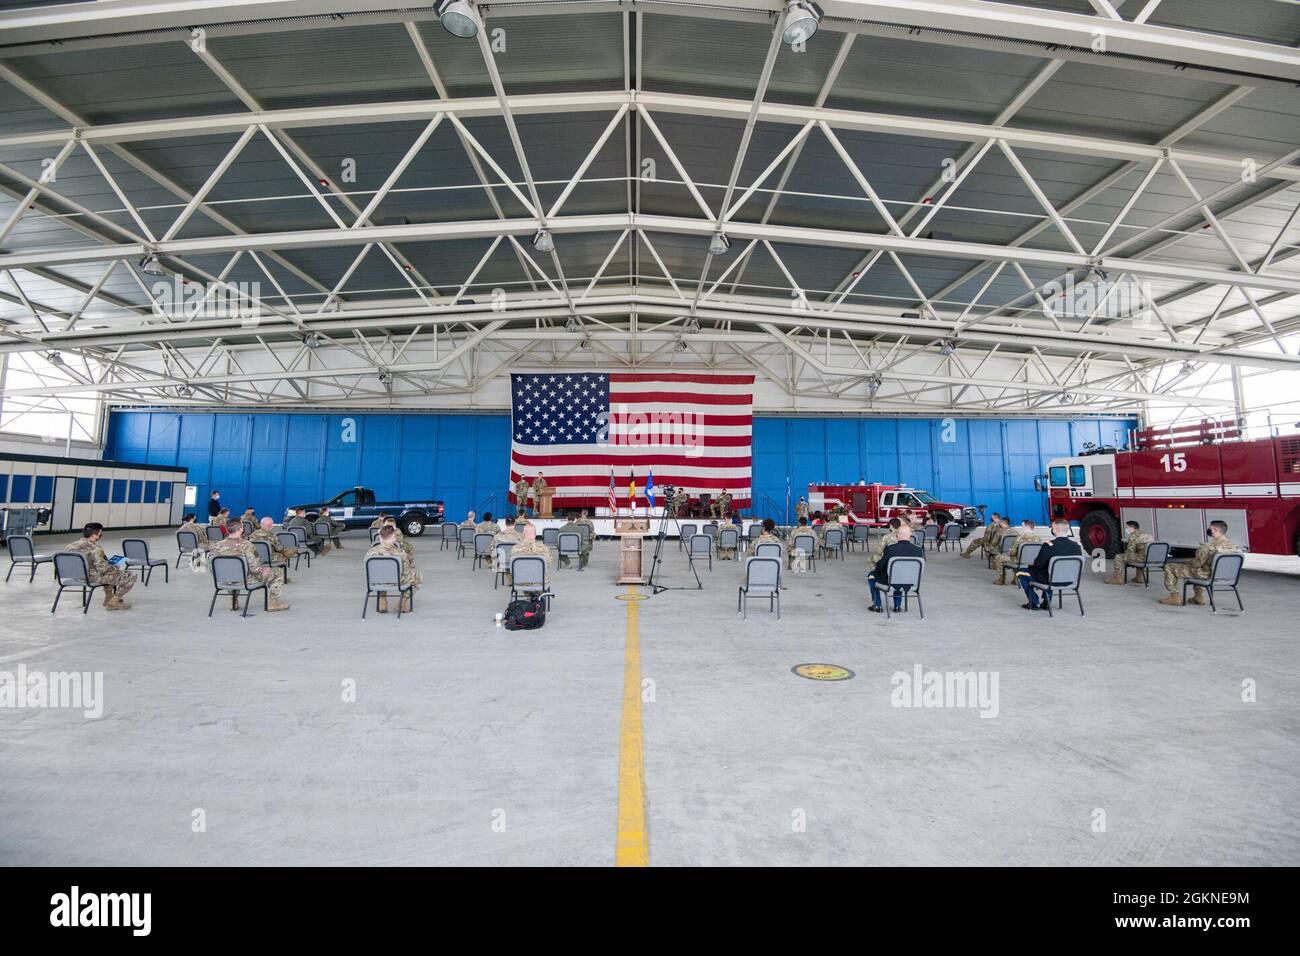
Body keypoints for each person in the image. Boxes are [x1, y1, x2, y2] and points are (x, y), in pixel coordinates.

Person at [209, 522, 289, 612]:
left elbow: (212, 568)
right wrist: (263, 570)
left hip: (225, 580)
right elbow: (254, 568)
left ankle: (233, 601)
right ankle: (273, 603)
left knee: (231, 571)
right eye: (242, 527)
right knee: (278, 572)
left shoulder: (217, 546)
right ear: (240, 529)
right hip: (246, 580)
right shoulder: (247, 545)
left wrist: (224, 575)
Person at [1158, 520, 1239, 607]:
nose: (1208, 530)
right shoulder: (1235, 547)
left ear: (1215, 530)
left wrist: (1187, 562)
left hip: (1207, 575)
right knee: (1199, 569)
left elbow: (1196, 564)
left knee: (1169, 567)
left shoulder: (1207, 547)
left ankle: (1174, 597)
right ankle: (1198, 597)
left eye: (1210, 528)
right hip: (1225, 577)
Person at [64, 523, 135, 610]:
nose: (101, 534)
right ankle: (113, 602)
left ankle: (108, 598)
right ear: (95, 535)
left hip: (76, 576)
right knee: (130, 575)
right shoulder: (96, 548)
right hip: (91, 578)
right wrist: (114, 566)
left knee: (109, 573)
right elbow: (103, 569)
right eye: (100, 533)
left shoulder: (69, 546)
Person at [1016, 518, 1082, 611]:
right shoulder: (1077, 546)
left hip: (1051, 580)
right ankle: (1046, 603)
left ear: (1057, 530)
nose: (1052, 529)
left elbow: (1038, 565)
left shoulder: (1049, 545)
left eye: (1053, 528)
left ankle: (1034, 602)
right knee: (1050, 572)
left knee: (1020, 572)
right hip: (1070, 580)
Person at [867, 522, 924, 613]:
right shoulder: (918, 550)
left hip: (892, 582)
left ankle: (877, 605)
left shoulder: (891, 549)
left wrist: (876, 571)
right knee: (901, 575)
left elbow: (881, 566)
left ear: (898, 535)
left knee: (871, 576)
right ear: (910, 535)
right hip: (910, 582)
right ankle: (897, 606)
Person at [366, 524, 420, 614]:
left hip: (376, 582)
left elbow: (368, 571)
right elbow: (406, 572)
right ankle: (401, 604)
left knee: (381, 574)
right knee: (418, 576)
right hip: (396, 582)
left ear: (380, 538)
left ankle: (382, 601)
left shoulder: (370, 552)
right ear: (394, 538)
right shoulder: (400, 553)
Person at [1105, 520, 1154, 586]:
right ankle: (1139, 578)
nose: (1126, 529)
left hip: (1143, 559)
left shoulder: (1133, 536)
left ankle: (1117, 579)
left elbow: (1129, 552)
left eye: (1127, 527)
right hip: (1151, 558)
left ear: (1131, 528)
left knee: (1119, 557)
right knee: (1139, 555)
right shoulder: (1148, 535)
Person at [993, 518, 1041, 586]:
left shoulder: (1019, 538)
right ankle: (1015, 579)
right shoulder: (1038, 539)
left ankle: (1001, 579)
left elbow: (1013, 552)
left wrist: (1008, 552)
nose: (1022, 527)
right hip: (1032, 561)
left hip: (1019, 560)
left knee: (999, 558)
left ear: (1027, 527)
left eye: (1023, 526)